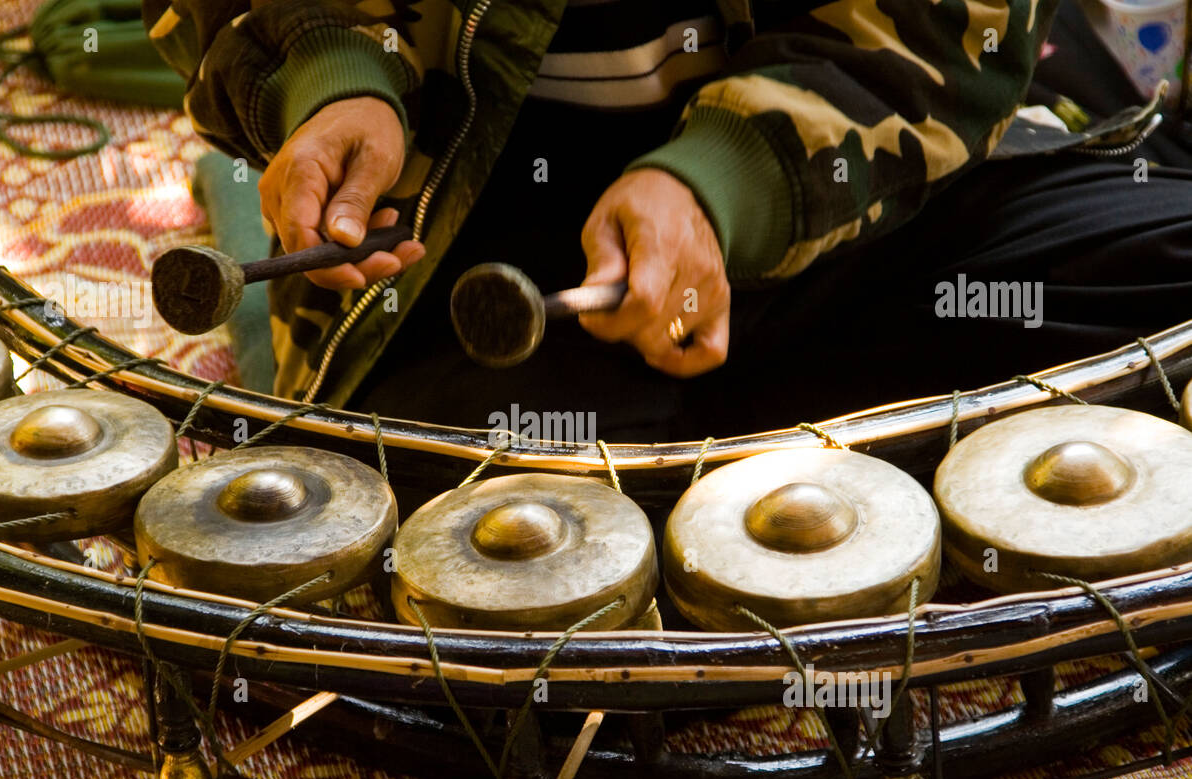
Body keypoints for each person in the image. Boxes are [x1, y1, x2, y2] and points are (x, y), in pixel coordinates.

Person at [145, 0, 1192, 442]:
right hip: (484, 230)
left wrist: (721, 183)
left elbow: (934, 27)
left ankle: (750, 450)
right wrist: (329, 75)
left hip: (849, 183)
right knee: (465, 505)